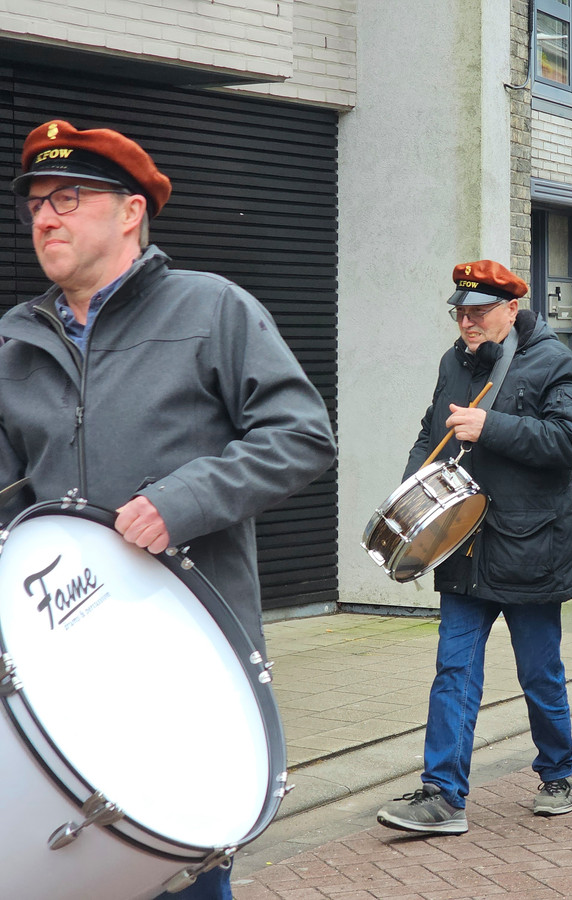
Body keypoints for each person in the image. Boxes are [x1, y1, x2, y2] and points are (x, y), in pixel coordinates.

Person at [5, 120, 337, 900]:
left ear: (129, 212)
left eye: (68, 197)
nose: (44, 217)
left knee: (183, 874)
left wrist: (181, 501)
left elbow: (301, 434)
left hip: (185, 663)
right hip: (61, 673)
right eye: (35, 204)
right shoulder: (12, 342)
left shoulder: (212, 308)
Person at [376, 260, 572, 835]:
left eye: (478, 311)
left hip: (530, 547)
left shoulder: (553, 362)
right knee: (454, 670)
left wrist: (489, 427)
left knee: (539, 673)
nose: (466, 321)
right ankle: (443, 794)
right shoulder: (454, 360)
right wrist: (411, 489)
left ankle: (558, 772)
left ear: (510, 310)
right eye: (461, 311)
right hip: (463, 544)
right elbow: (433, 429)